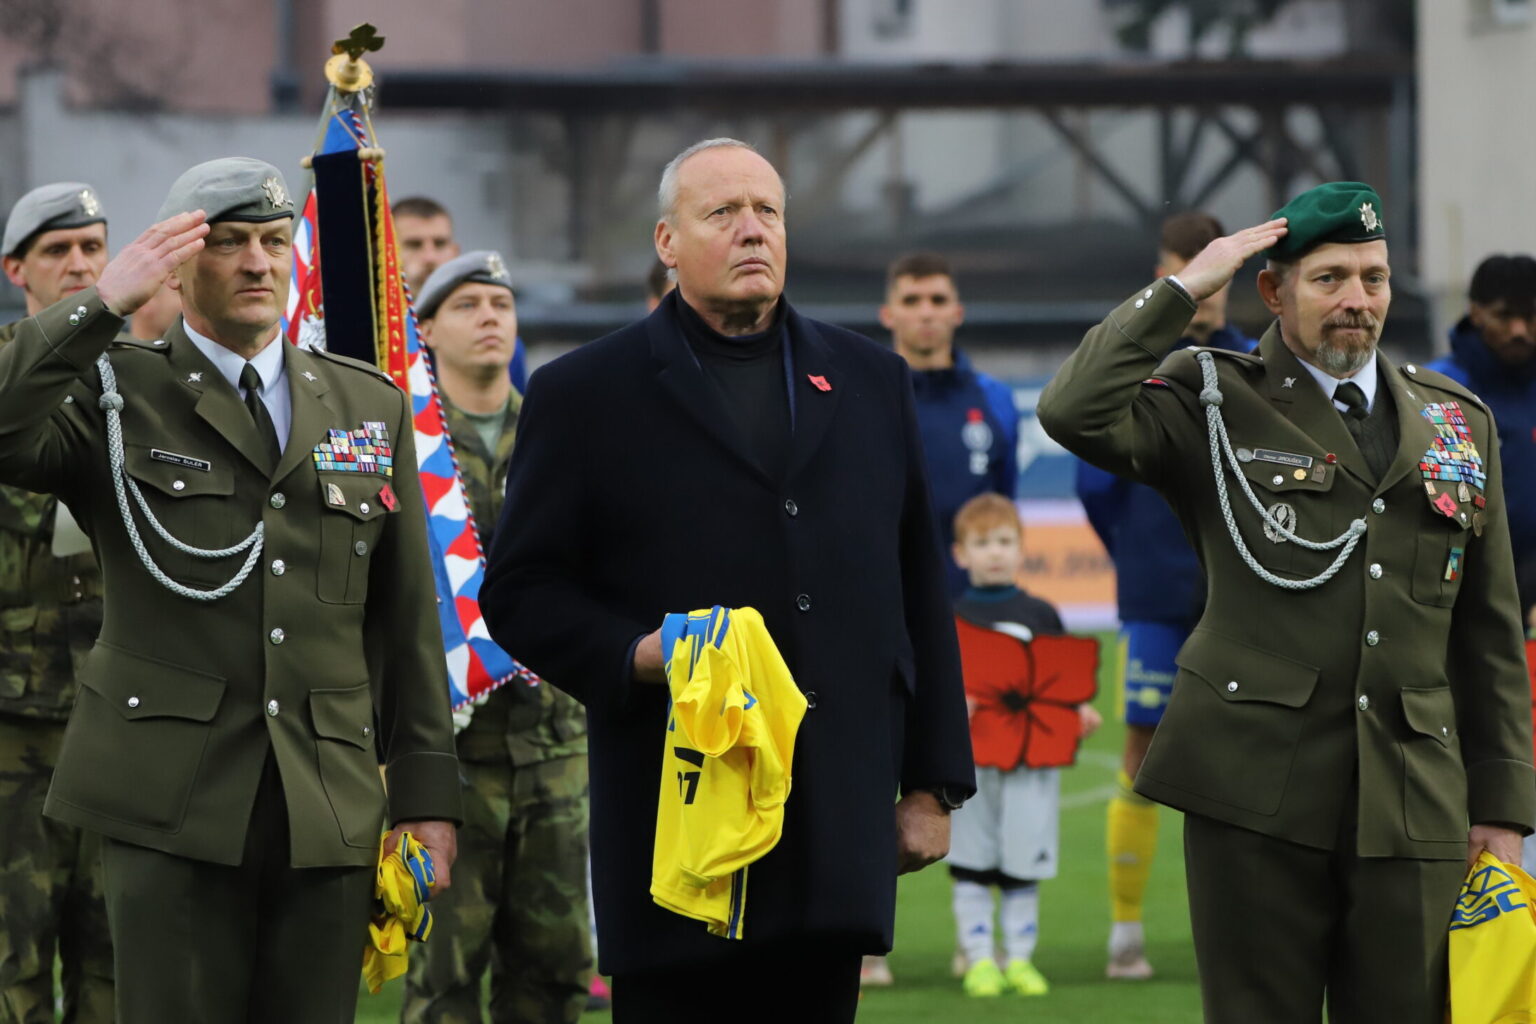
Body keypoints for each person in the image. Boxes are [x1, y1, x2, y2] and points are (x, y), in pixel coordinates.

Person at [480, 137, 974, 1023]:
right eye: (724, 213)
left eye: (769, 212)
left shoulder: (870, 380)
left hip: (834, 821)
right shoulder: (585, 393)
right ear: (667, 242)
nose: (753, 231)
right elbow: (520, 591)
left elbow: (917, 588)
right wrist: (637, 654)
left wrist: (935, 784)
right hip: (677, 824)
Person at [1037, 181, 1535, 1022]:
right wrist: (1183, 289)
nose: (1357, 301)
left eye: (1373, 279)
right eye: (1329, 277)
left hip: (1413, 793)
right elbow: (1073, 410)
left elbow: (1486, 636)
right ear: (1273, 291)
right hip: (1254, 782)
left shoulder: (1456, 420)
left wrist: (1504, 809)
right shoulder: (1210, 396)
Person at [0, 157, 464, 1024]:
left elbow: (405, 621)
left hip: (324, 800)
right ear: (174, 263)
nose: (259, 262)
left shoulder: (368, 405)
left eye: (273, 241)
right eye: (229, 242)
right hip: (170, 798)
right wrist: (104, 303)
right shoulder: (115, 390)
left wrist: (428, 800)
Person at [401, 251, 594, 1024]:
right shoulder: (399, 443)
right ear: (427, 330)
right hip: (445, 757)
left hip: (554, 749)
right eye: (468, 304)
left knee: (555, 971)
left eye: (501, 304)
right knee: (444, 976)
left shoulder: (563, 434)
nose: (490, 317)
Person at [1074, 210, 1254, 981]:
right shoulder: (1133, 357)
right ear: (1166, 271)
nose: (1203, 283)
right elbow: (1096, 484)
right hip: (1157, 593)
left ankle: (1248, 932)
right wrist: (1150, 553)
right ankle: (1124, 931)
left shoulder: (1258, 361)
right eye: (1185, 263)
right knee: (1143, 753)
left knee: (1253, 758)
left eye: (1212, 264)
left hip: (1247, 597)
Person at [0, 182, 114, 1023]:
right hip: (12, 735)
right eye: (57, 251)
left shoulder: (142, 390)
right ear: (16, 271)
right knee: (14, 964)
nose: (79, 264)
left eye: (93, 248)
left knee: (121, 969)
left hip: (122, 725)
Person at [945, 493, 1101, 999]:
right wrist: (953, 709)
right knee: (971, 859)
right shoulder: (950, 617)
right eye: (983, 543)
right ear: (960, 553)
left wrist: (1078, 713)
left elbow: (1060, 680)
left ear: (1022, 548)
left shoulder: (1041, 612)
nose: (996, 552)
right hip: (971, 763)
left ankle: (1020, 959)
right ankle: (978, 959)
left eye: (1006, 541)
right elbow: (934, 690)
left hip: (1032, 762)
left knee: (1022, 861)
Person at [881, 252, 1018, 595]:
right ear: (888, 315)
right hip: (889, 599)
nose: (926, 312)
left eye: (938, 300)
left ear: (957, 313)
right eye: (911, 300)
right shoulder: (863, 398)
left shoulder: (995, 399)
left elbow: (1002, 503)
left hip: (973, 603)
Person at [1426, 254, 1536, 620]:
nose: (1520, 329)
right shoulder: (1437, 392)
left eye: (1531, 317)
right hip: (1460, 594)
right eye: (1505, 316)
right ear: (1476, 313)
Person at [394, 196, 527, 396]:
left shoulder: (496, 341)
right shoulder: (375, 337)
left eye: (439, 244)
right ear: (388, 252)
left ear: (455, 252)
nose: (430, 258)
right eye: (414, 245)